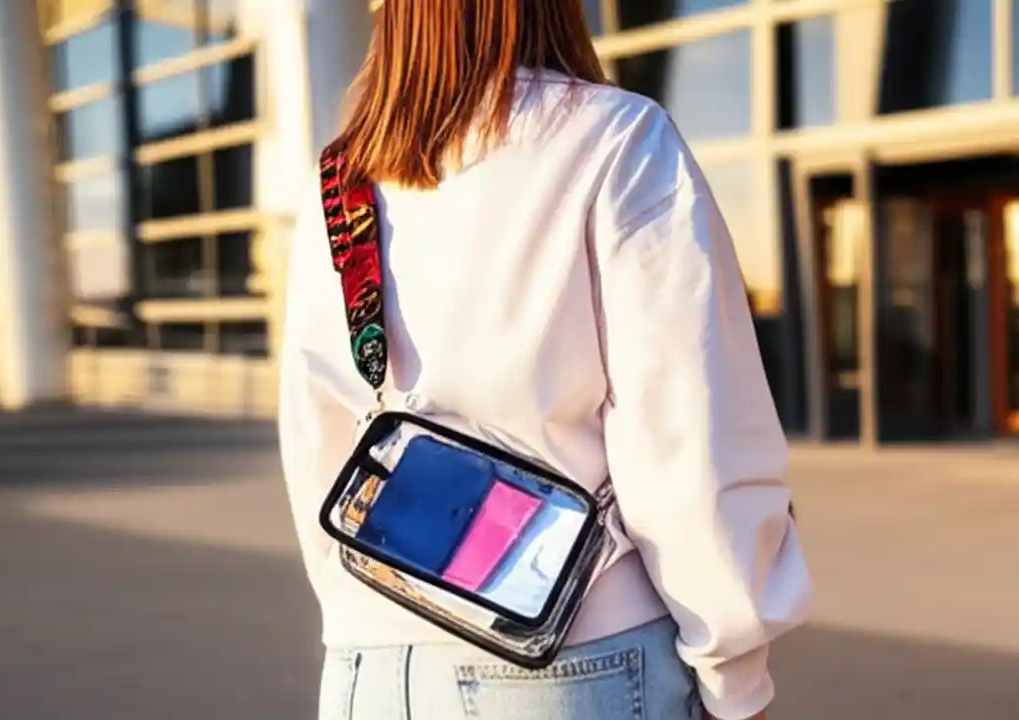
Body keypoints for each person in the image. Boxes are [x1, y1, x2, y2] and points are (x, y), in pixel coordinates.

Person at [277, 2, 811, 719]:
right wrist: (736, 676)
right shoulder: (617, 140)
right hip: (574, 663)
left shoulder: (341, 183)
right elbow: (688, 438)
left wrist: (365, 622)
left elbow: (318, 444)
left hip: (368, 671)